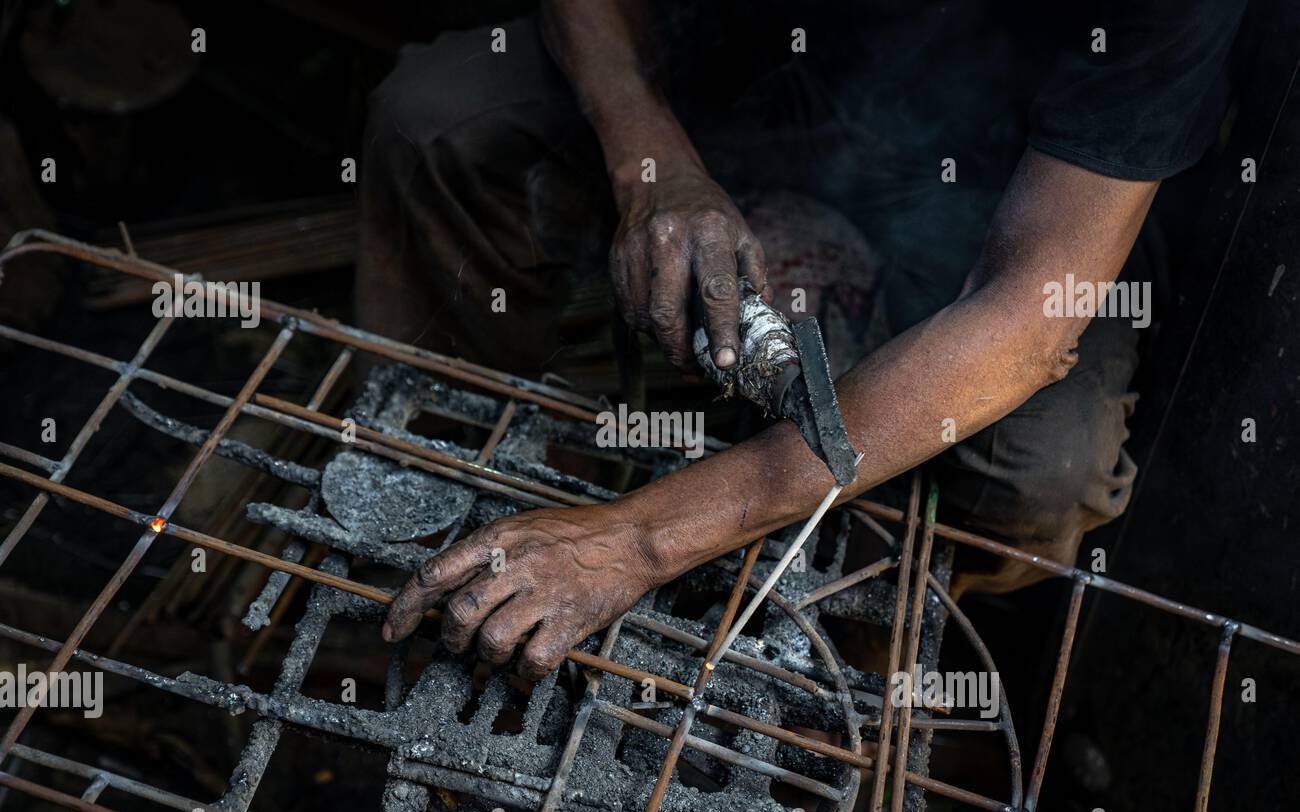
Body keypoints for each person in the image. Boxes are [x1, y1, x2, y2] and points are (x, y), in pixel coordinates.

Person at [361, 1, 1247, 678]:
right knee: (437, 119)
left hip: (1008, 185)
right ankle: (432, 489)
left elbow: (1025, 318)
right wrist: (653, 165)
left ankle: (835, 651)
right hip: (746, 70)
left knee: (1043, 475)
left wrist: (636, 541)